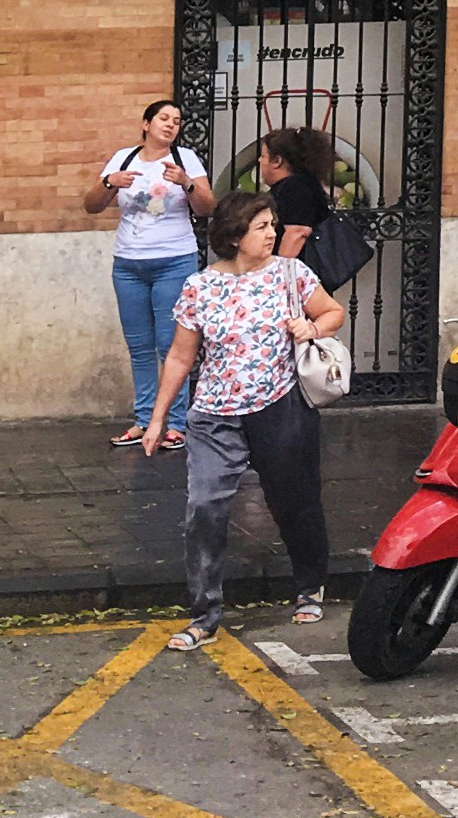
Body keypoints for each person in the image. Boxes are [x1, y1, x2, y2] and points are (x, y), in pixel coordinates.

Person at [143, 190, 344, 650]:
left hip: (280, 406)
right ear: (235, 236)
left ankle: (309, 584)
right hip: (214, 415)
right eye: (261, 227)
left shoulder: (292, 274)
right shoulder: (200, 287)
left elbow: (333, 312)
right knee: (204, 510)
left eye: (273, 224)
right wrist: (158, 419)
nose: (272, 233)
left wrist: (312, 328)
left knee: (294, 501)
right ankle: (203, 616)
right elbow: (179, 356)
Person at [87, 101, 214, 448]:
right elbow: (92, 205)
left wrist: (187, 183)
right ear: (146, 123)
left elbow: (208, 208)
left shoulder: (185, 159)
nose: (171, 125)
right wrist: (108, 182)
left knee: (170, 345)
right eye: (164, 118)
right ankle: (144, 420)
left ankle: (175, 424)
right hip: (128, 263)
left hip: (174, 260)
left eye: (177, 121)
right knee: (139, 346)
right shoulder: (123, 158)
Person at [258, 126, 335, 263]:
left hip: (296, 274)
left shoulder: (294, 188)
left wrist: (279, 272)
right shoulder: (300, 184)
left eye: (263, 156)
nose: (259, 160)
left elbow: (298, 232)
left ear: (277, 161)